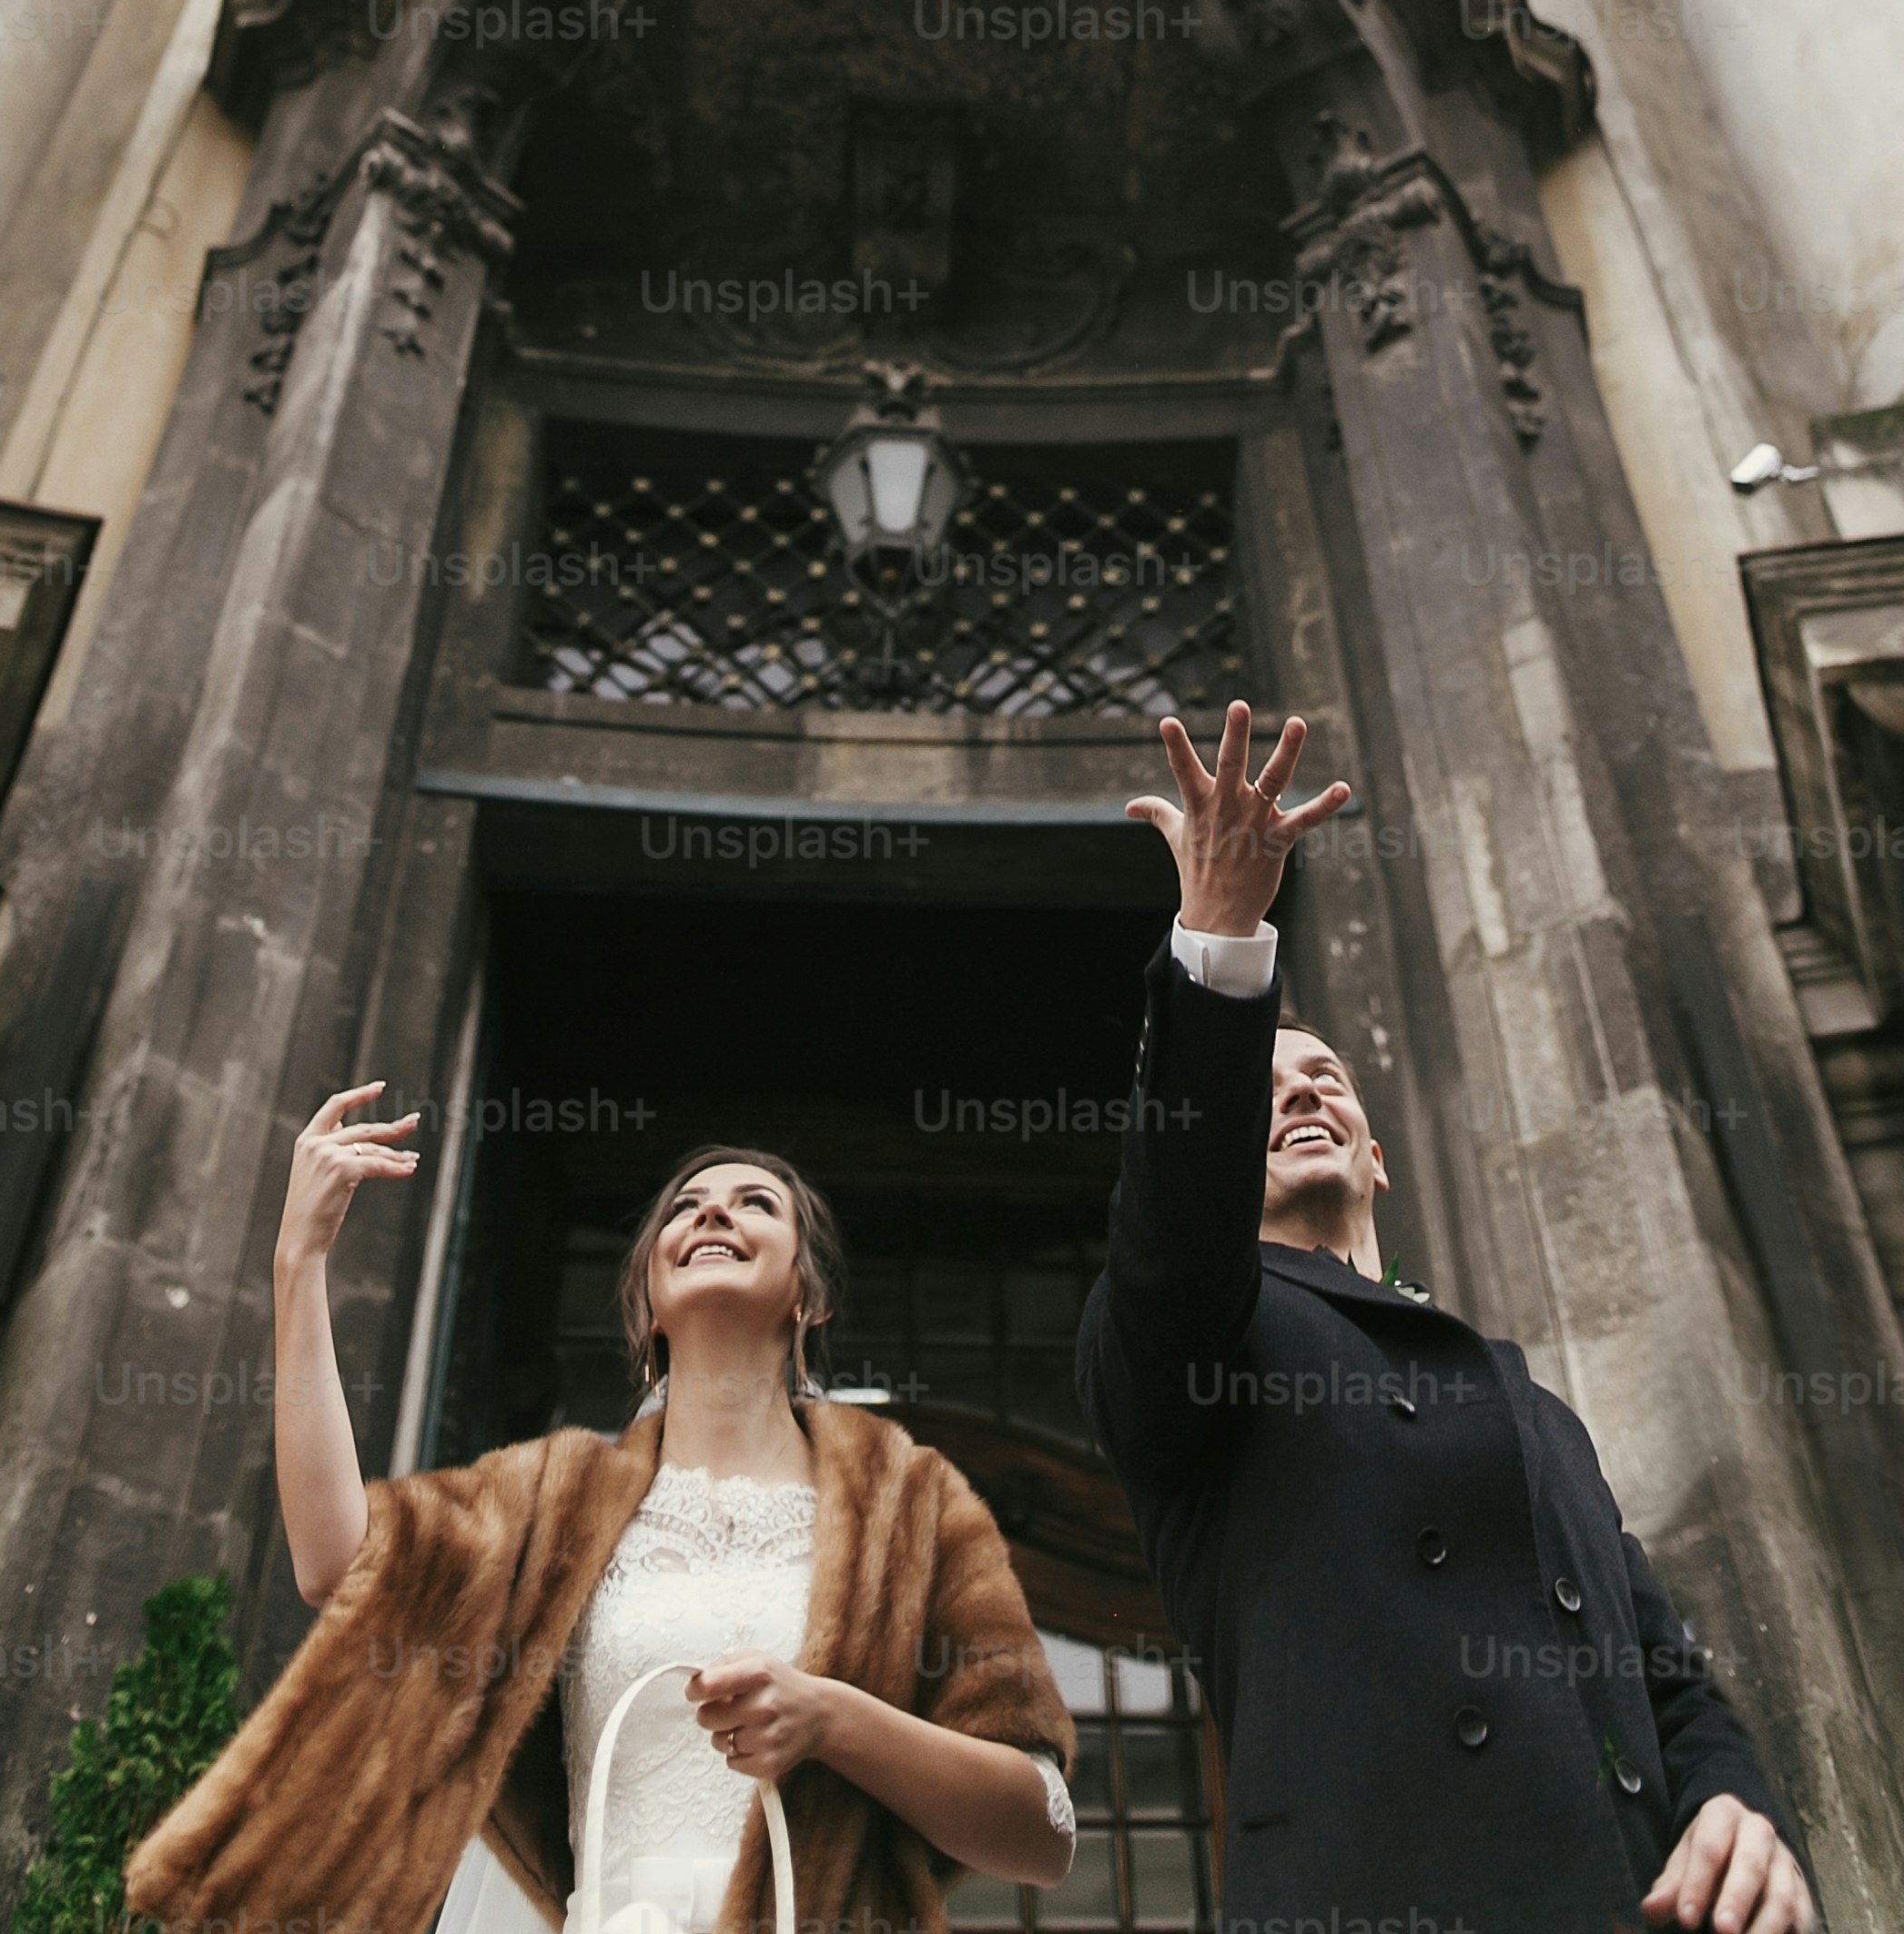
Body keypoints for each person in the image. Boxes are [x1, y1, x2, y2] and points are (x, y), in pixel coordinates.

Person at [1079, 702, 1816, 1934]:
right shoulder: (1183, 1340)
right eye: (1259, 1086)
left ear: (1377, 1159)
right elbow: (1169, 1244)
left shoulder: (1532, 1411)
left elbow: (1664, 1673)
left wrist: (1737, 1803)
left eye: (1324, 1079)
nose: (1300, 1090)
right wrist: (1219, 941)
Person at [128, 1110, 1078, 1934]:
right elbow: (336, 1562)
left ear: (810, 1293)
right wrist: (299, 1264)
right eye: (683, 1206)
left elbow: (1042, 1832)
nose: (712, 1210)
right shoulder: (552, 1498)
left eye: (756, 1203)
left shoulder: (914, 1503)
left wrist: (836, 1720)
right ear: (646, 1305)